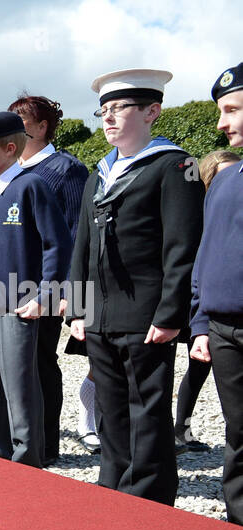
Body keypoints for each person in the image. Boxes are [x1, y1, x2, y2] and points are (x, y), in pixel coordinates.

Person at [67, 70, 203, 505]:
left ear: (152, 112)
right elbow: (83, 250)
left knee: (147, 411)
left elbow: (181, 248)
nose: (107, 119)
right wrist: (76, 310)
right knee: (110, 408)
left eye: (118, 109)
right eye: (102, 111)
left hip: (146, 317)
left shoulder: (173, 167)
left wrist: (169, 315)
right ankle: (115, 488)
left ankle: (149, 498)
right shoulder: (98, 175)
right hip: (101, 317)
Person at [0, 110, 71, 468]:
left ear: (10, 148)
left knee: (21, 391)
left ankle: (28, 461)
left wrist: (45, 295)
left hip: (16, 306)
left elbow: (56, 244)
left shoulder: (32, 186)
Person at [9, 93, 91, 464]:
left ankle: (45, 444)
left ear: (42, 127)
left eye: (22, 121)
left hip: (45, 287)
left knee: (40, 363)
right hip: (7, 287)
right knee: (12, 368)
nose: (15, 129)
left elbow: (77, 235)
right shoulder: (9, 172)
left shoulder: (65, 170)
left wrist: (68, 294)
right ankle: (20, 440)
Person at [188, 64, 243, 523]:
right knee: (237, 432)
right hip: (224, 332)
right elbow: (205, 255)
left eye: (232, 109)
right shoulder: (224, 179)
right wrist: (201, 323)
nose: (222, 122)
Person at [174, 148, 239, 453]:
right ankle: (180, 429)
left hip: (214, 299)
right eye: (222, 174)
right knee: (198, 367)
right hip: (195, 297)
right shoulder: (196, 210)